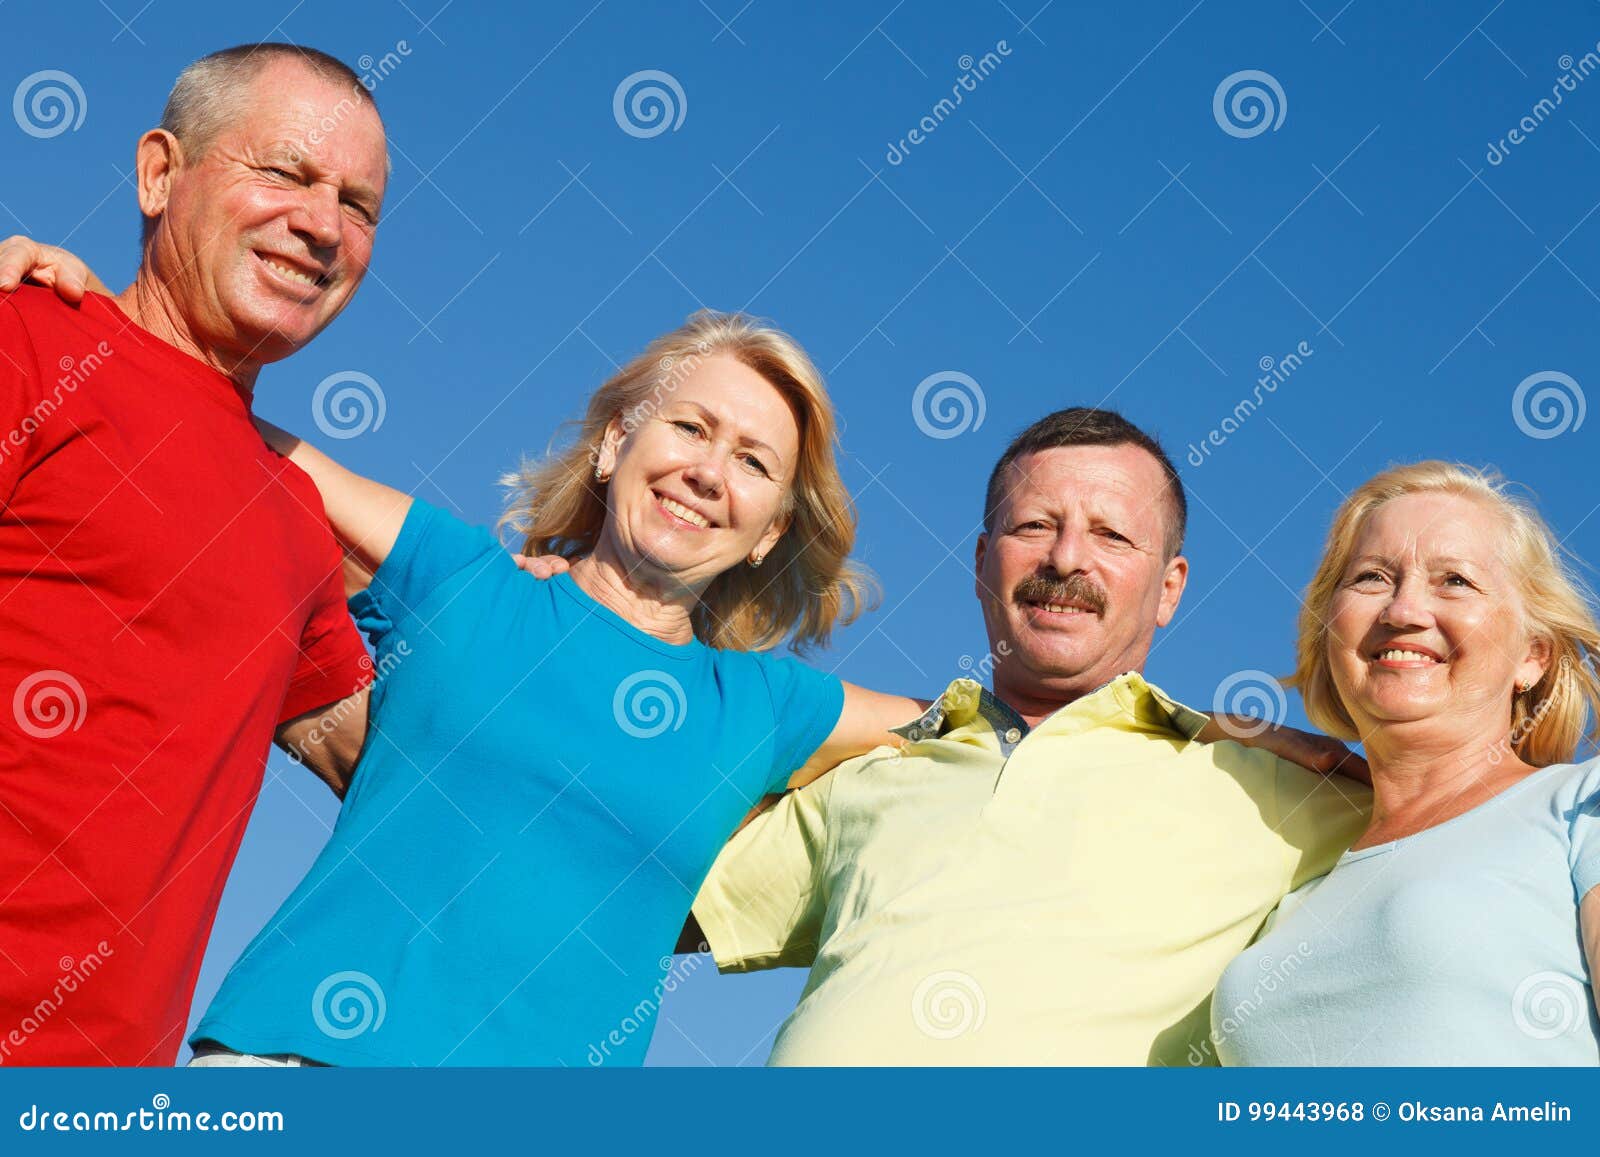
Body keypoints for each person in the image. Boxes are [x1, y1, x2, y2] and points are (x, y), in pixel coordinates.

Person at [675, 407, 1372, 1065]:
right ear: (982, 561)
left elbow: (1466, 814)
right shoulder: (875, 774)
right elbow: (633, 883)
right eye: (1035, 525)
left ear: (1169, 587)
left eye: (1111, 534)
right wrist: (583, 614)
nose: (1067, 558)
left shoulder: (1282, 790)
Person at [0, 43, 388, 1066]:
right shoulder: (27, 339)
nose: (322, 223)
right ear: (159, 173)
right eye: (285, 173)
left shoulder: (297, 521)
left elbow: (397, 767)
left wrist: (562, 618)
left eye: (357, 204)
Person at [1212, 462, 1600, 1065]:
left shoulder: (1581, 806)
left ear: (1533, 657)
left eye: (1456, 581)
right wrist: (1217, 732)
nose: (1405, 610)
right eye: (1371, 577)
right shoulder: (1297, 879)